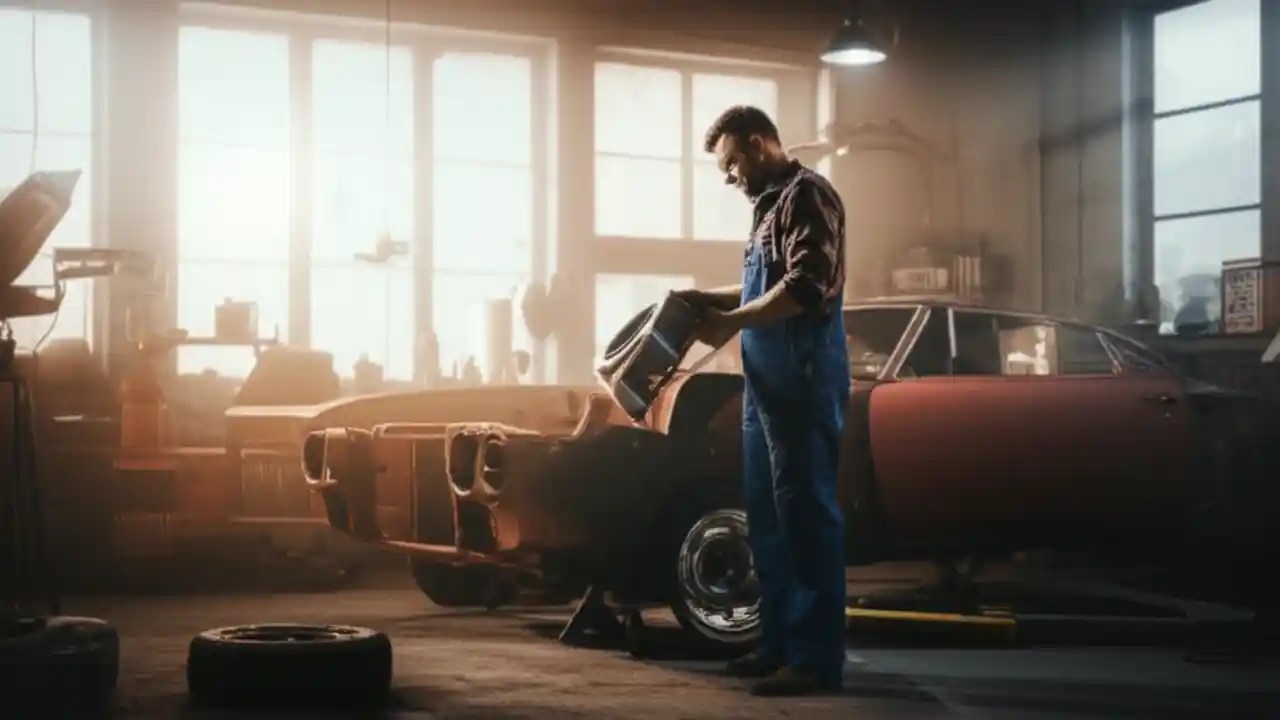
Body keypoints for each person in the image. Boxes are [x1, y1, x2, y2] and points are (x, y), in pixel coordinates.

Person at [677, 105, 849, 697]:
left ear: (758, 144)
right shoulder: (768, 209)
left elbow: (804, 287)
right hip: (766, 387)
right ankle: (777, 644)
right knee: (769, 520)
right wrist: (710, 297)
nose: (729, 178)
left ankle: (815, 659)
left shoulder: (808, 196)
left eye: (731, 164)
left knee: (806, 518)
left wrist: (730, 323)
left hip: (802, 379)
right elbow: (762, 284)